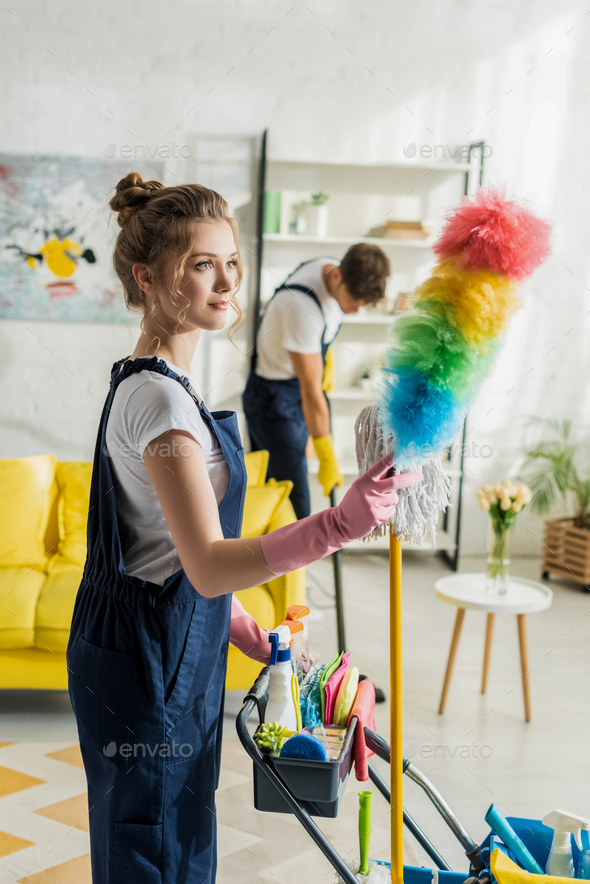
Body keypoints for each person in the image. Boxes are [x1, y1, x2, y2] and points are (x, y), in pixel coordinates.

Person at [66, 172, 422, 884]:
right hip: (146, 664)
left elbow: (156, 551)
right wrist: (337, 524)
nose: (227, 281)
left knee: (177, 830)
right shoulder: (161, 406)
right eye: (202, 264)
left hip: (167, 645)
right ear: (148, 276)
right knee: (152, 844)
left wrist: (236, 628)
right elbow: (203, 563)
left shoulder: (162, 384)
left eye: (231, 261)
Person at [243, 246, 390, 519]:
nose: (356, 310)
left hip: (296, 385)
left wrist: (325, 359)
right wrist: (326, 455)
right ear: (336, 276)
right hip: (274, 400)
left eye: (363, 304)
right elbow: (311, 392)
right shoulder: (301, 309)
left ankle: (279, 560)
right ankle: (290, 560)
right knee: (291, 497)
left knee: (282, 491)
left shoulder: (334, 268)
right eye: (354, 300)